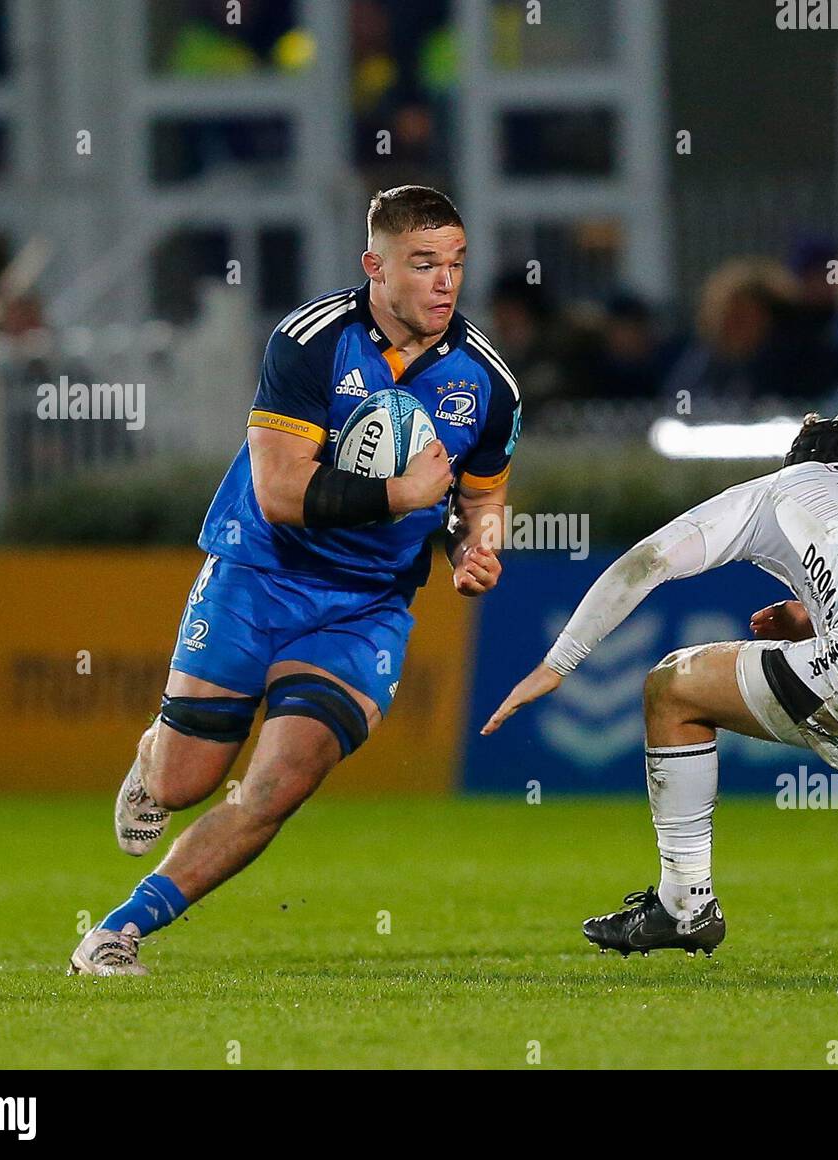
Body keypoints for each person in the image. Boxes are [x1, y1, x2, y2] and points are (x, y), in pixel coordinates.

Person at [71, 185, 522, 975]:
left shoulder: (489, 384)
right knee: (185, 783)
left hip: (365, 607)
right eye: (423, 265)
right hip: (259, 573)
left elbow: (481, 496)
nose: (445, 283)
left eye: (454, 263)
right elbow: (280, 495)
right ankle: (154, 758)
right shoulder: (310, 342)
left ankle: (117, 932)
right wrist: (404, 496)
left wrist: (476, 548)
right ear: (374, 266)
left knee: (278, 782)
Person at [483, 414, 838, 970]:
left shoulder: (787, 485)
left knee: (672, 688)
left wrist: (559, 661)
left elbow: (649, 561)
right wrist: (814, 621)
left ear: (800, 460)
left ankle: (684, 903)